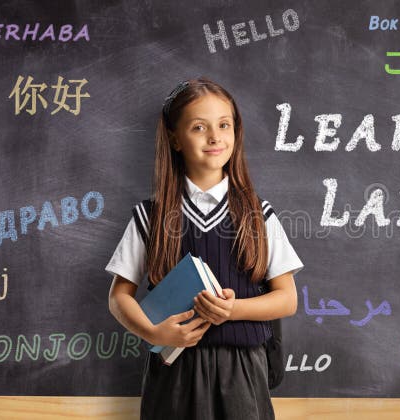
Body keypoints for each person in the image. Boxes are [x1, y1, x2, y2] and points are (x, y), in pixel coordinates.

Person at [105, 77, 304, 419]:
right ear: (175, 138)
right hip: (174, 371)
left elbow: (287, 299)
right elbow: (118, 296)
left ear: (235, 132)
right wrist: (153, 332)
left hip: (242, 368)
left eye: (224, 125)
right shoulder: (150, 216)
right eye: (199, 127)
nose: (215, 137)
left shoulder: (259, 215)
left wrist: (233, 310)